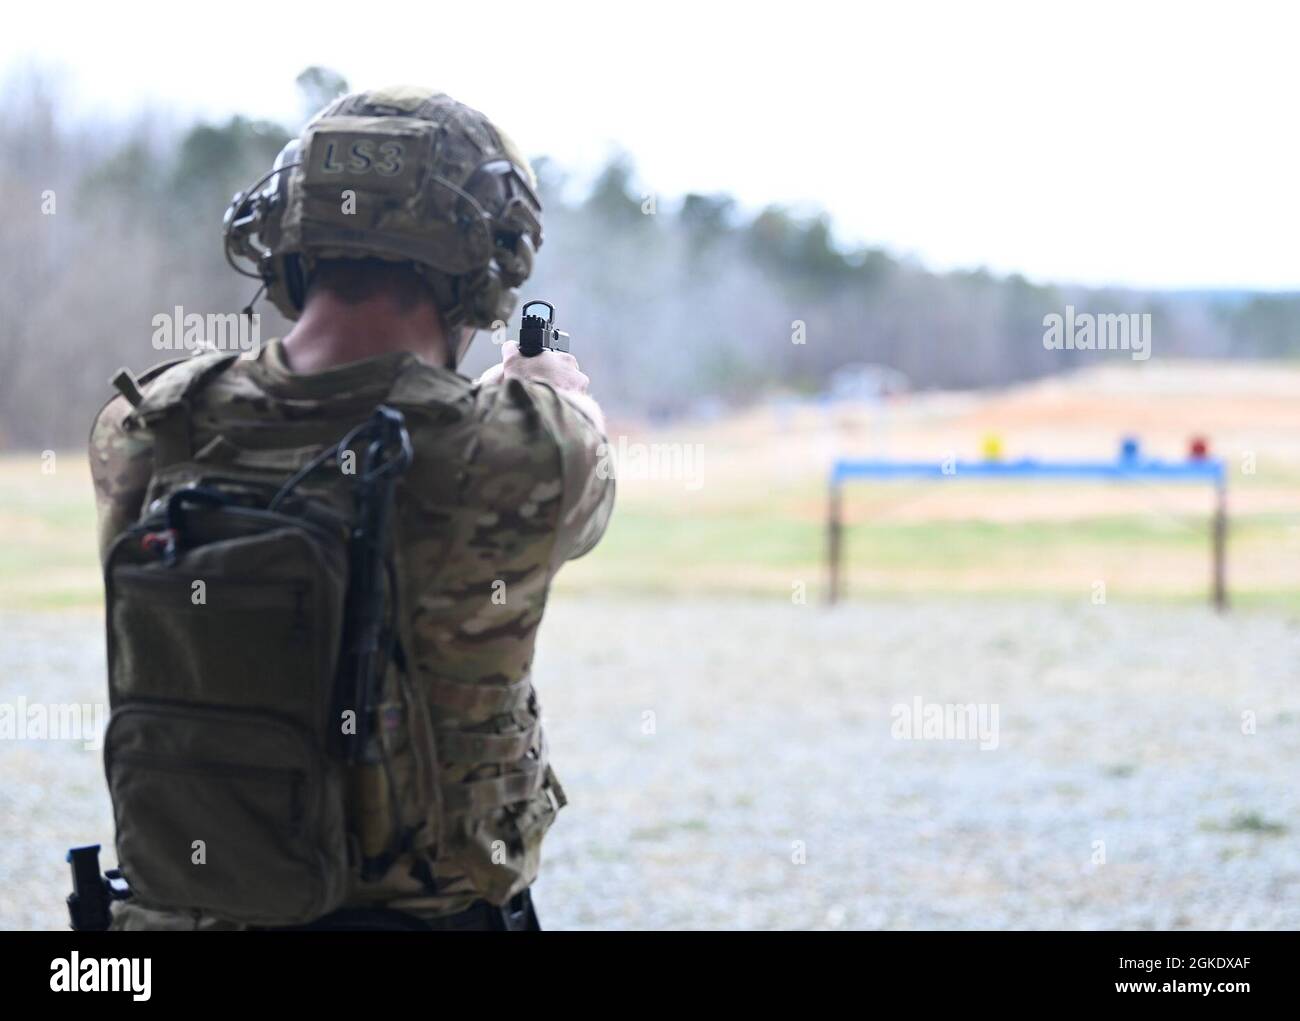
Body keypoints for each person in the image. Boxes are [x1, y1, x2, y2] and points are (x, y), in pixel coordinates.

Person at [88, 86, 614, 930]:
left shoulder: (150, 423)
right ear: (484, 263)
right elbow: (571, 485)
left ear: (288, 241)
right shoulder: (529, 448)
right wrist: (538, 391)